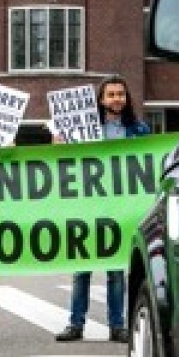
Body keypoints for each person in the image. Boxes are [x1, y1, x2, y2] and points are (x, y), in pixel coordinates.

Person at [55, 75, 150, 343]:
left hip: (120, 208)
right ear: (100, 99)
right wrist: (58, 146)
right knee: (82, 267)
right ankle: (75, 324)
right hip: (88, 205)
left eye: (121, 94)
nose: (117, 99)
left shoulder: (139, 130)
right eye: (111, 94)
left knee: (116, 270)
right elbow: (65, 162)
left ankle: (117, 326)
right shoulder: (81, 128)